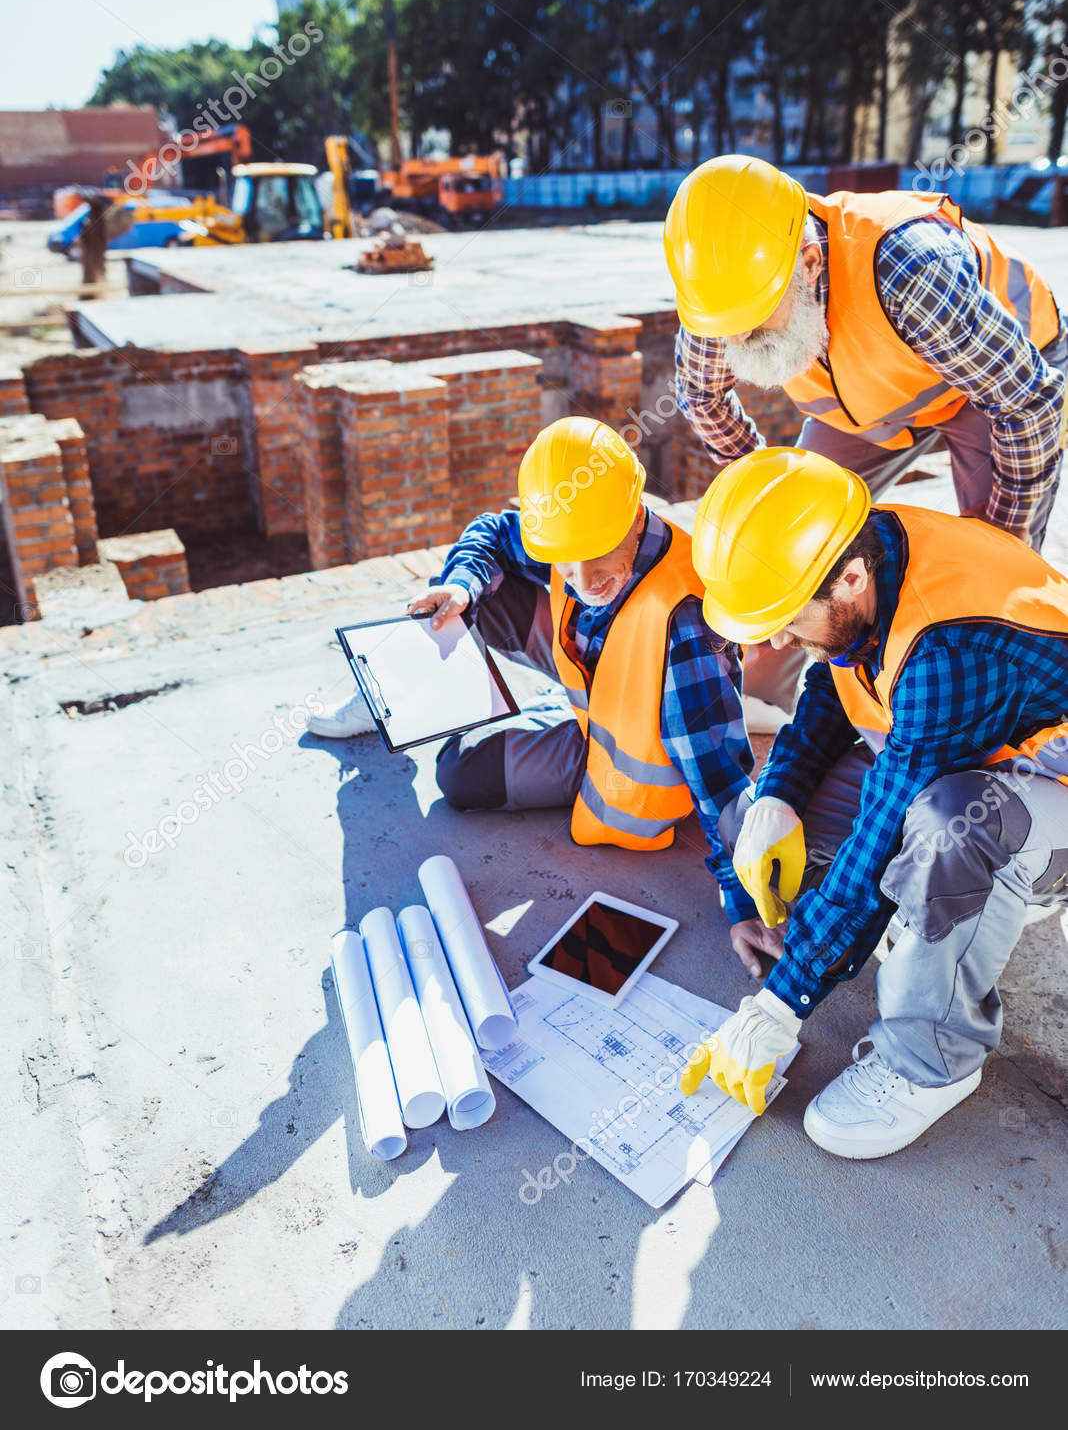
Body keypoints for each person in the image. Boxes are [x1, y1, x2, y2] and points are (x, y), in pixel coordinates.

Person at [678, 446, 1068, 1159]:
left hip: (1050, 794)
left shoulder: (945, 649)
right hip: (980, 745)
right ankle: (879, 933)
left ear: (851, 579)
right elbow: (833, 689)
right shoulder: (854, 549)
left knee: (946, 826)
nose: (769, 640)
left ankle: (933, 1061)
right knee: (816, 817)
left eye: (782, 617)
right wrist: (781, 796)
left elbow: (886, 829)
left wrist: (782, 1002)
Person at [311, 417, 773, 975]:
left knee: (458, 775)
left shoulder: (686, 620)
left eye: (598, 553)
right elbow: (493, 532)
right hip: (590, 681)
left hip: (624, 755)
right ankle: (398, 695)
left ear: (634, 509)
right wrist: (460, 584)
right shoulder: (572, 536)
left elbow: (719, 773)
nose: (583, 577)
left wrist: (745, 902)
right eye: (565, 559)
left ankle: (544, 718)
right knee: (472, 597)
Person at [666, 153, 1067, 705]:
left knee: (989, 565)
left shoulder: (906, 267)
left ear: (809, 263)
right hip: (870, 398)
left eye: (755, 322)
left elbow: (1029, 404)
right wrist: (762, 491)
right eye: (722, 328)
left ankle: (998, 706)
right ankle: (766, 702)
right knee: (781, 543)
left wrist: (1002, 547)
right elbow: (700, 393)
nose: (735, 342)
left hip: (994, 383)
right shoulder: (725, 293)